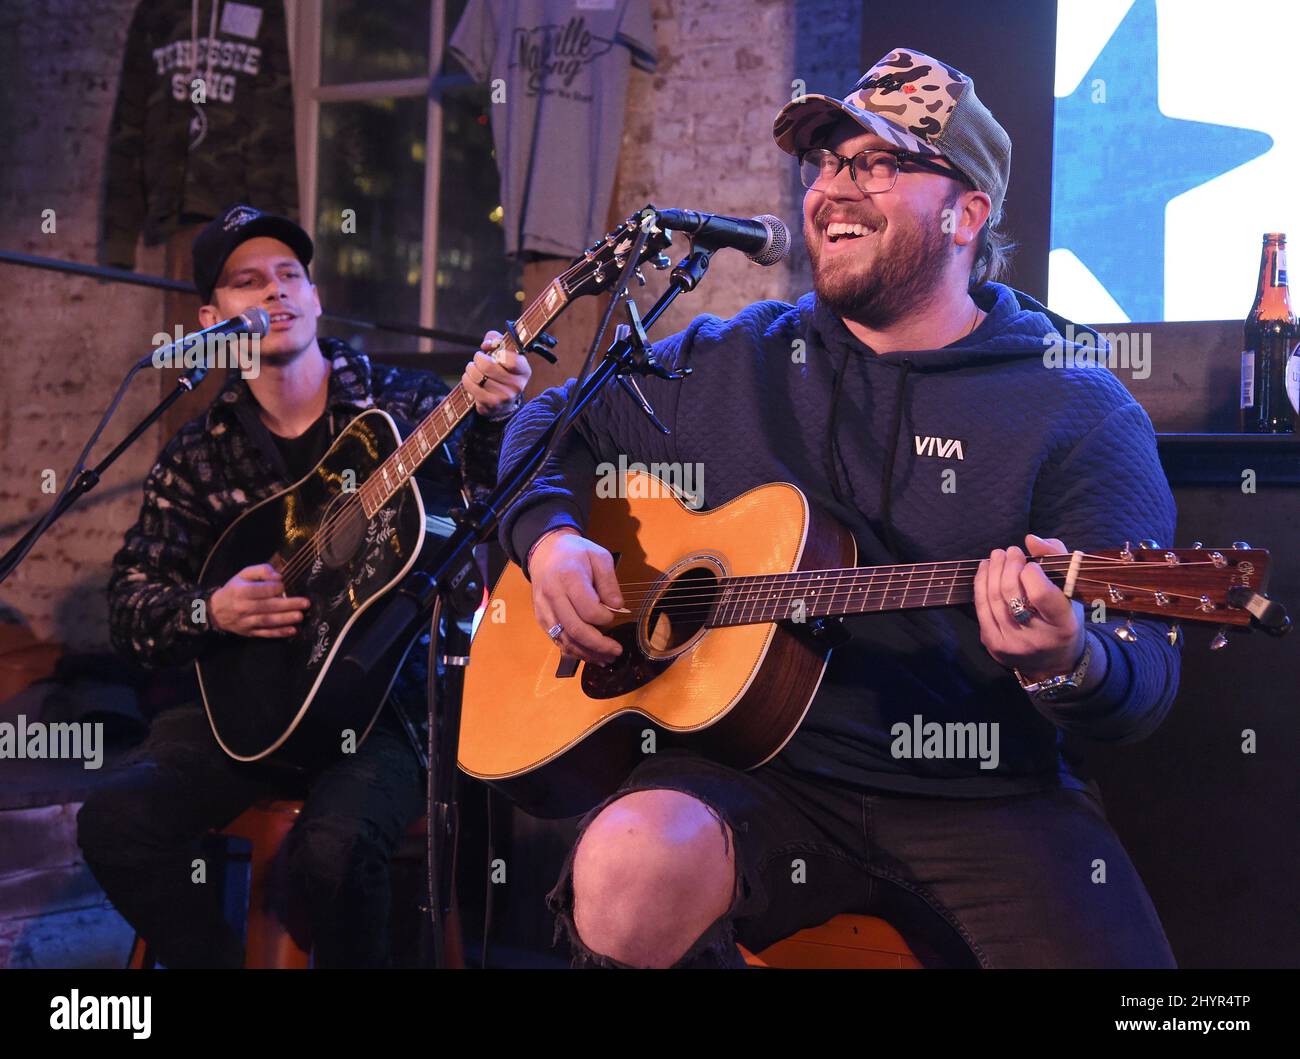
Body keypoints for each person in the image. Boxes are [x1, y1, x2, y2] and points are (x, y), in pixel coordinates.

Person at [494, 48, 1181, 968]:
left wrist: (1066, 659)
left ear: (967, 211)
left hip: (983, 796)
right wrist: (550, 538)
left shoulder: (1075, 403)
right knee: (625, 864)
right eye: (826, 162)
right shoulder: (741, 357)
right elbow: (550, 416)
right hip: (754, 774)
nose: (833, 190)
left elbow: (1142, 675)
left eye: (880, 164)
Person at [77, 204, 531, 968]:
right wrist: (208, 608)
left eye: (291, 275)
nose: (276, 292)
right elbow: (128, 605)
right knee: (113, 821)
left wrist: (491, 412)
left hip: (381, 712)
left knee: (335, 849)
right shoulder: (199, 454)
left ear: (316, 297)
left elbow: (488, 498)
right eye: (248, 282)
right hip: (243, 718)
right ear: (211, 317)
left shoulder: (403, 407)